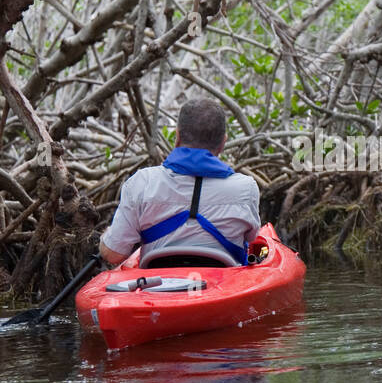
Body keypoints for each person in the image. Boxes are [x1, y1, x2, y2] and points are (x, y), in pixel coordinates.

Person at [99, 97, 261, 269]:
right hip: (223, 289)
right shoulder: (246, 188)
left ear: (177, 136)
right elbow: (251, 239)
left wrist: (107, 236)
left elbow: (113, 254)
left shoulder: (142, 182)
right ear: (223, 143)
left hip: (156, 289)